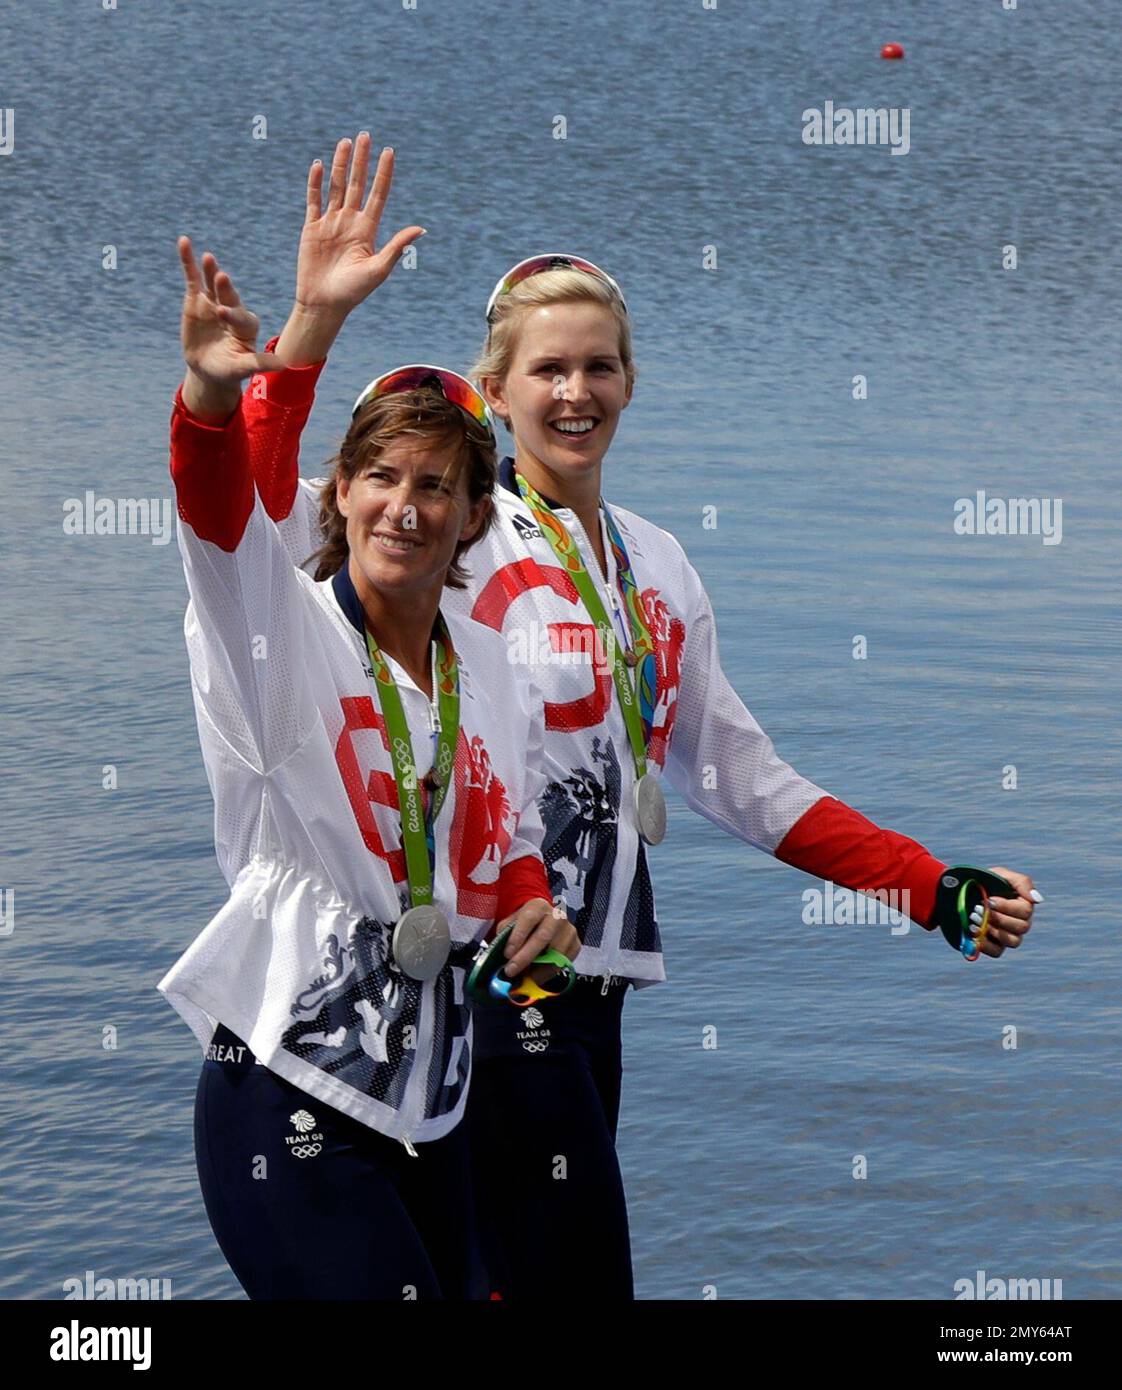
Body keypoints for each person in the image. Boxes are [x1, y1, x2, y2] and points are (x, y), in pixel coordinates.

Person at [237, 132, 1042, 1300]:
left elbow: (744, 777)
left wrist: (927, 887)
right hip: (480, 976)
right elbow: (259, 543)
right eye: (549, 369)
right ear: (497, 390)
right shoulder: (449, 538)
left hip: (596, 977)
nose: (576, 393)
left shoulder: (655, 563)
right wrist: (302, 337)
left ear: (631, 380)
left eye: (601, 366)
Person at [157, 215, 579, 1300]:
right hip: (288, 1090)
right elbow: (220, 511)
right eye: (381, 476)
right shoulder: (279, 637)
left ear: (476, 515)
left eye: (438, 485)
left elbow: (510, 835)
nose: (406, 504)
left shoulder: (488, 660)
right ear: (338, 493)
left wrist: (537, 907)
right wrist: (256, 366)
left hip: (434, 1101)